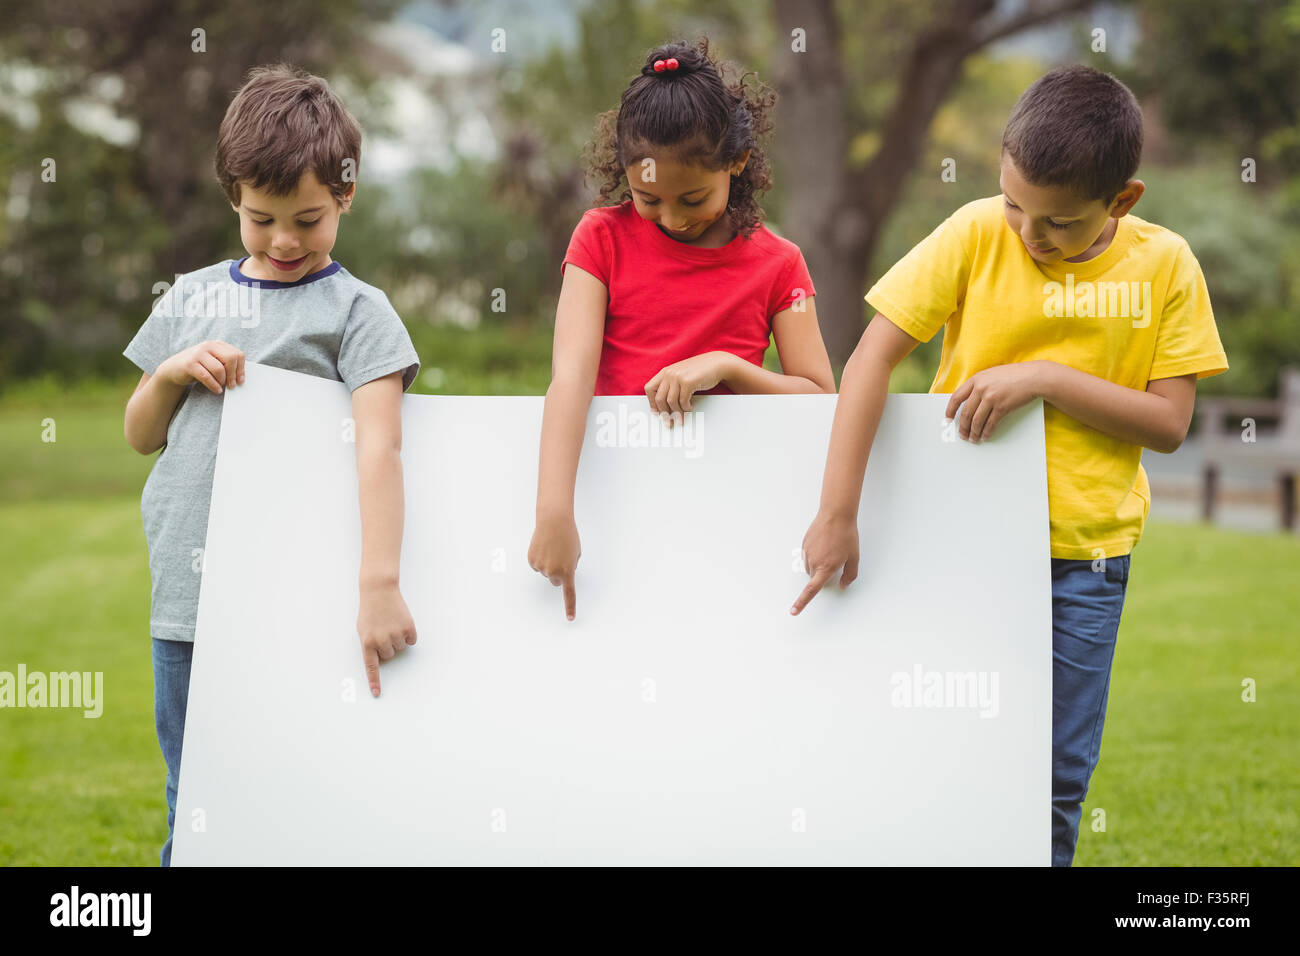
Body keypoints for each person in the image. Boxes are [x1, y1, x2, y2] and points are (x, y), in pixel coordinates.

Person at [790, 64, 1228, 866]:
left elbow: (1169, 424)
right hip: (961, 544)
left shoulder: (1166, 266)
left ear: (1122, 201)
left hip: (1085, 562)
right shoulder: (973, 233)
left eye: (1059, 222)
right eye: (1015, 204)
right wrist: (838, 510)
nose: (1029, 235)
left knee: (1055, 777)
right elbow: (870, 360)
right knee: (941, 751)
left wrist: (1047, 378)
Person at [122, 64, 422, 866]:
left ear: (346, 196)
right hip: (186, 602)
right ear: (233, 197)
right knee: (194, 793)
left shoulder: (358, 313)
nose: (285, 241)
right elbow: (140, 434)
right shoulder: (190, 296)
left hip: (292, 596)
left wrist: (379, 583)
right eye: (262, 219)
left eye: (308, 219)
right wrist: (171, 371)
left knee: (295, 793)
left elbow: (381, 445)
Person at [528, 38, 836, 620]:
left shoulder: (780, 264)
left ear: (737, 162)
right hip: (620, 496)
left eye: (693, 198)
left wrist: (726, 367)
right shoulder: (600, 239)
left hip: (731, 508)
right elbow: (569, 379)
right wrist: (554, 512)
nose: (672, 218)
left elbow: (820, 398)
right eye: (648, 199)